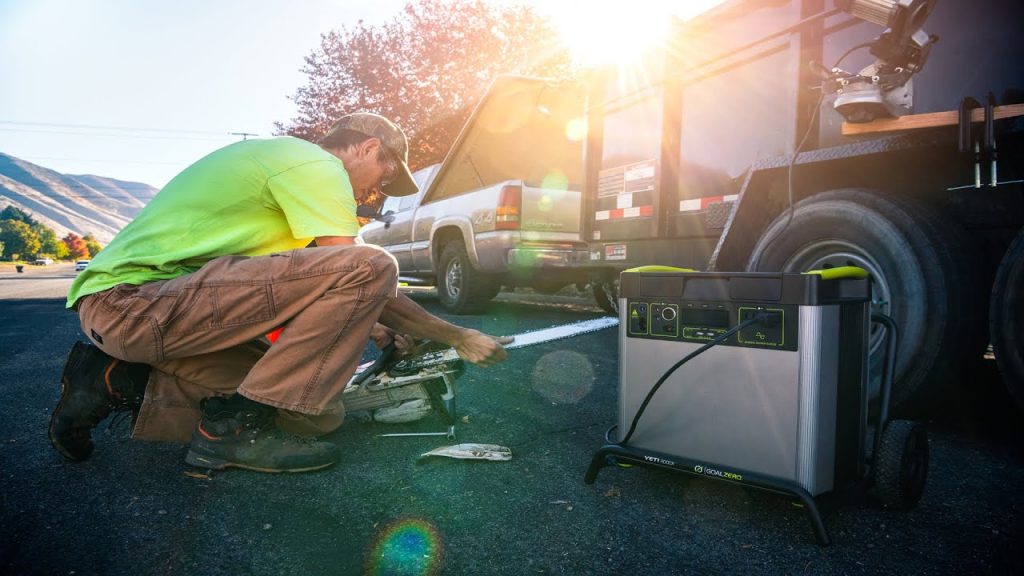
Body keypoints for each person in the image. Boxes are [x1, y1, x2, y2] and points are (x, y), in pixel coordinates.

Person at [49, 112, 510, 473]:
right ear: (368, 147)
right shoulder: (316, 164)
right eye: (383, 176)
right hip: (132, 304)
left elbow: (292, 292)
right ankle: (234, 429)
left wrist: (371, 325)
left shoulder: (282, 174)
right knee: (372, 262)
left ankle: (113, 380)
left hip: (148, 318)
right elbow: (362, 272)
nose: (377, 192)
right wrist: (458, 336)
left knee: (314, 415)